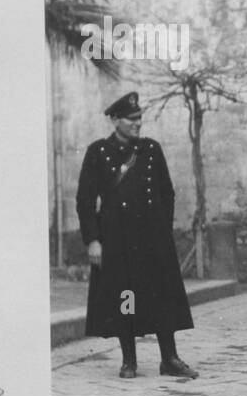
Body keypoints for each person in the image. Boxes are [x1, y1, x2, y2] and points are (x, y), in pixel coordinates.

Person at [76, 92, 198, 379]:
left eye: (139, 118)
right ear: (116, 120)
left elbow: (167, 192)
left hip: (153, 241)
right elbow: (85, 200)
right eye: (131, 119)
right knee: (125, 298)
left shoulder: (151, 149)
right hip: (117, 241)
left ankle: (169, 358)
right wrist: (93, 239)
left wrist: (162, 229)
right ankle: (129, 360)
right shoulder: (98, 152)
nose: (137, 124)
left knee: (161, 298)